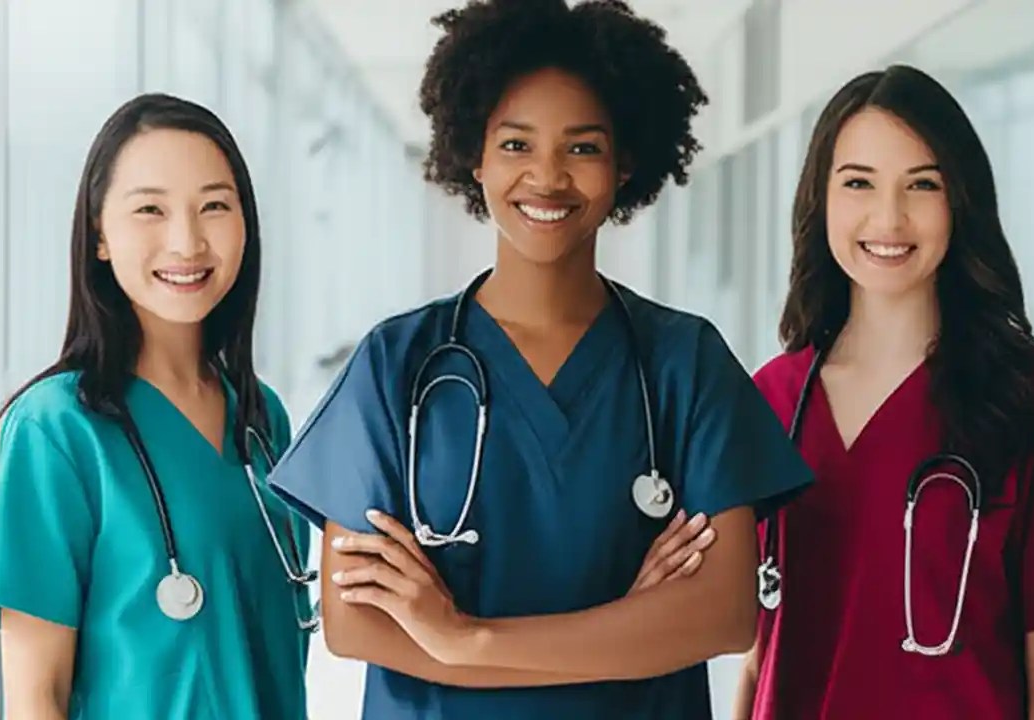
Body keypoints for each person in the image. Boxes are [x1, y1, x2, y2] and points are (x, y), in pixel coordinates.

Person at [266, 1, 813, 718]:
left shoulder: (685, 364)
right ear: (474, 155)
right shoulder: (396, 365)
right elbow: (356, 623)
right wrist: (627, 632)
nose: (547, 176)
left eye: (582, 147)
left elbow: (721, 614)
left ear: (625, 164)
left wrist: (465, 638)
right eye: (516, 145)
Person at [731, 64, 1034, 720]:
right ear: (822, 200)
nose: (889, 217)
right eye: (858, 183)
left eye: (921, 184)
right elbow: (760, 656)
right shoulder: (771, 400)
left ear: (959, 199)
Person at [0, 93, 314, 719]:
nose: (187, 240)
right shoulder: (58, 430)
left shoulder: (264, 423)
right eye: (150, 209)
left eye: (213, 206)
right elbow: (35, 696)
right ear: (100, 235)